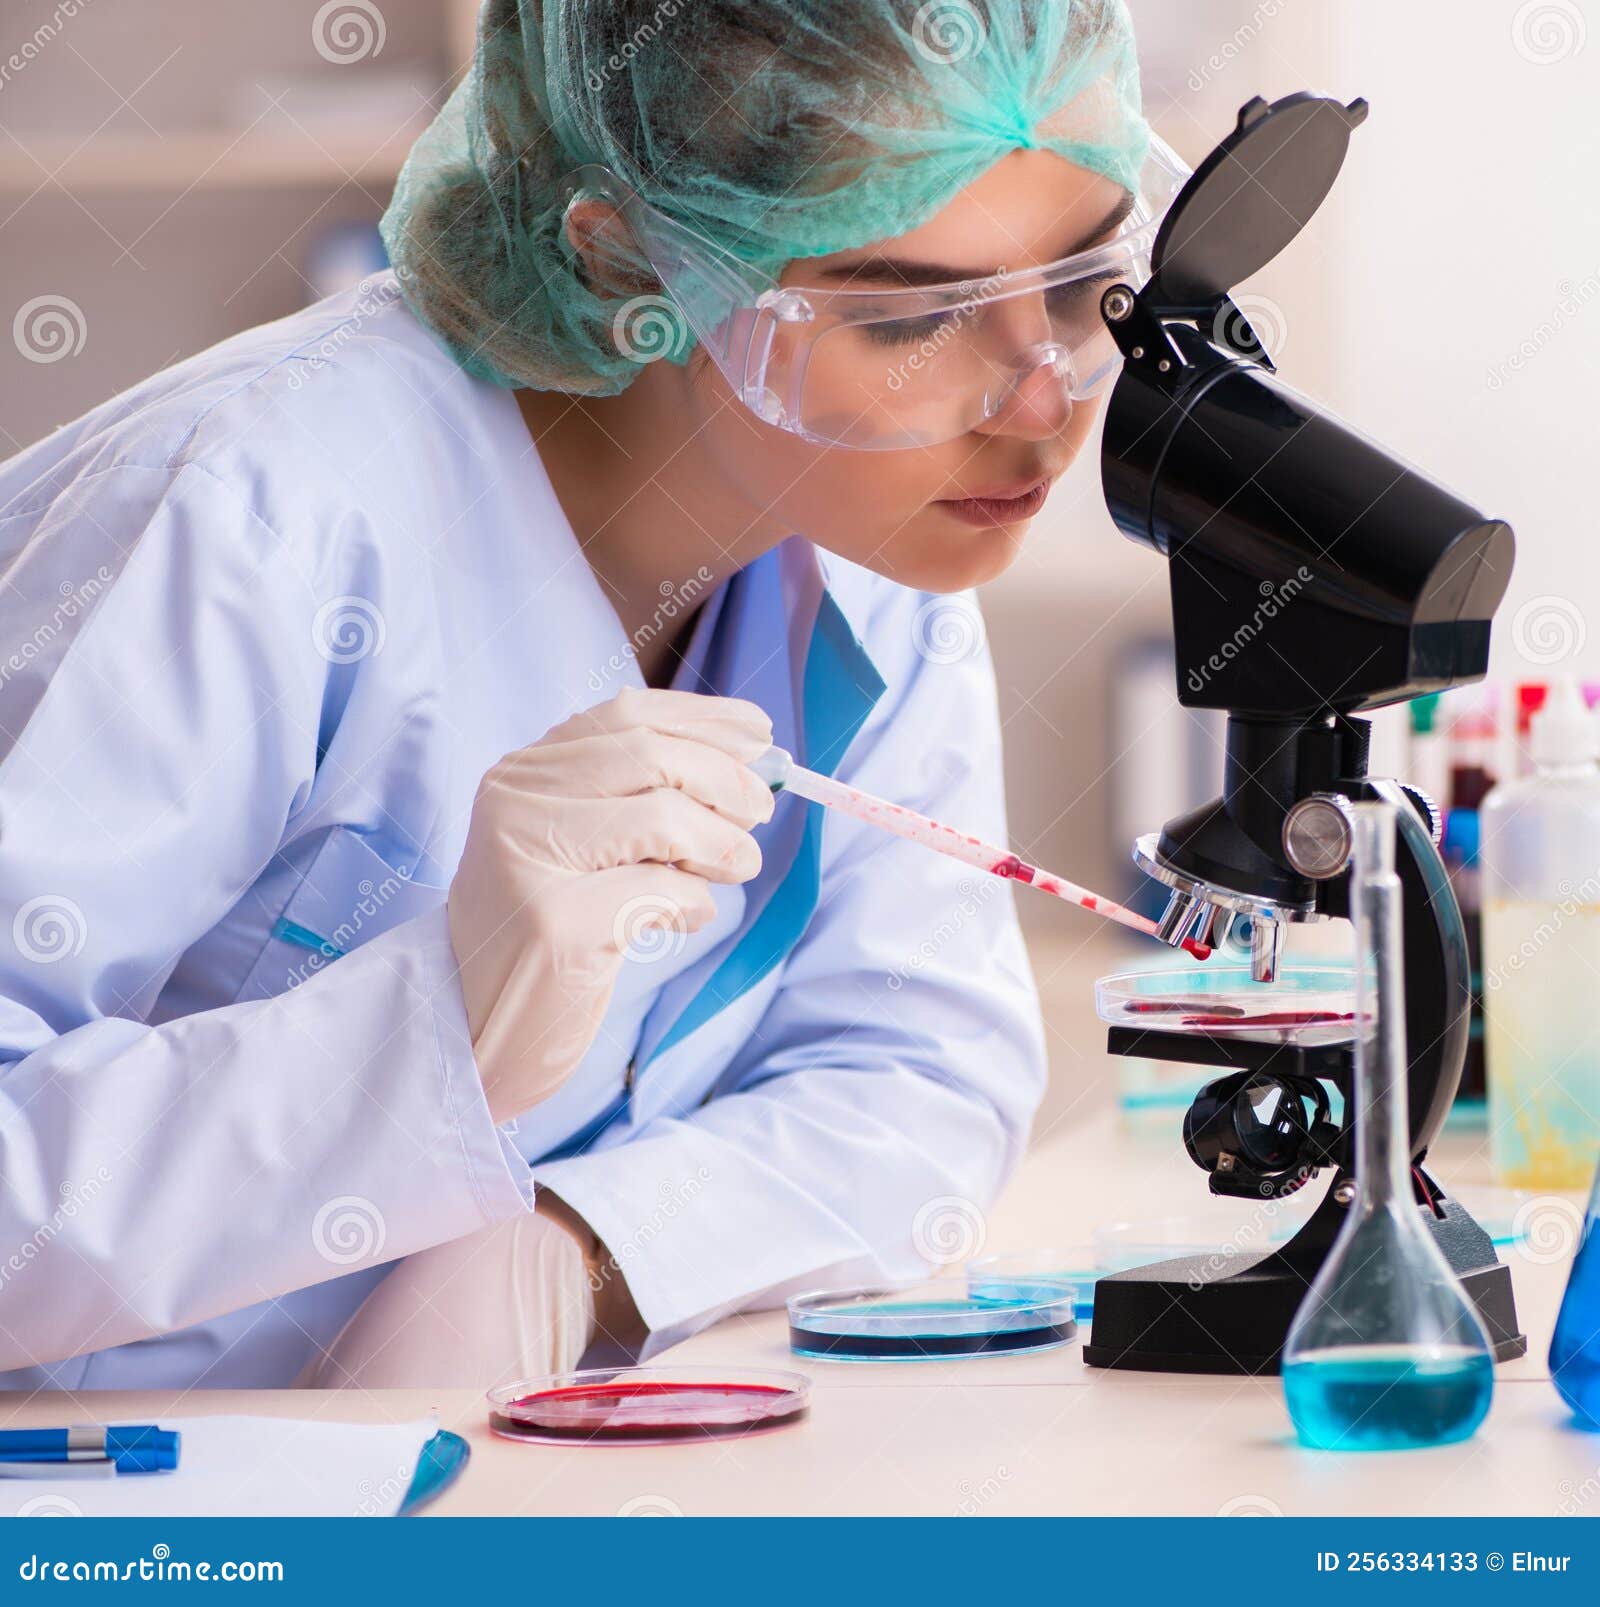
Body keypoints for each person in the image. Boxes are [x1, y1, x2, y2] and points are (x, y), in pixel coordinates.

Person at [0, 0, 1172, 1389]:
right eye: (916, 319)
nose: (1043, 406)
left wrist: (574, 1247)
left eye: (1087, 283)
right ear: (631, 255)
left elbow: (916, 1070)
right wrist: (427, 1036)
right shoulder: (256, 514)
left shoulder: (879, 543)